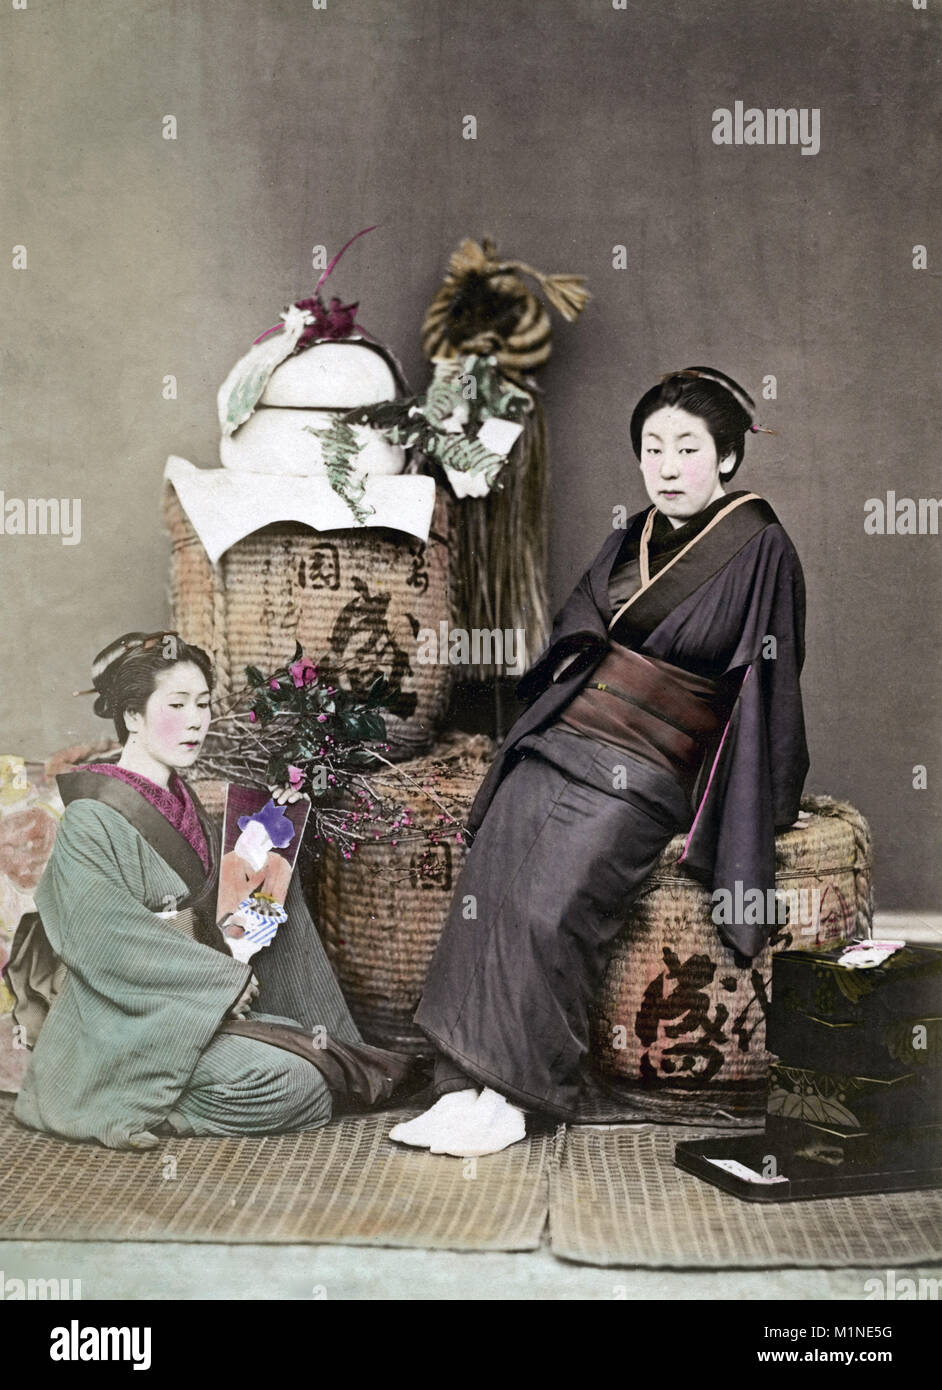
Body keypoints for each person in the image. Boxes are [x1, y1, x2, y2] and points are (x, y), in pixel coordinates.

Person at [395, 367, 809, 1158]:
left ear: (726, 458)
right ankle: (462, 1082)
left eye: (688, 448)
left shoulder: (760, 546)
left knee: (554, 901)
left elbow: (770, 677)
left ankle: (517, 1095)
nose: (668, 464)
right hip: (568, 737)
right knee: (494, 875)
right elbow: (575, 627)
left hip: (650, 763)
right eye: (653, 447)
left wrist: (764, 790)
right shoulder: (632, 538)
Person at [7, 631, 413, 1150]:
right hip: (131, 1015)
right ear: (132, 716)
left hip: (189, 997)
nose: (196, 720)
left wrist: (275, 822)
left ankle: (325, 1045)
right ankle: (140, 1098)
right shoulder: (91, 819)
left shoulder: (182, 798)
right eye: (176, 704)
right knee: (296, 1083)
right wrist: (221, 983)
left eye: (202, 704)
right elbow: (103, 942)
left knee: (277, 901)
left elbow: (223, 902)